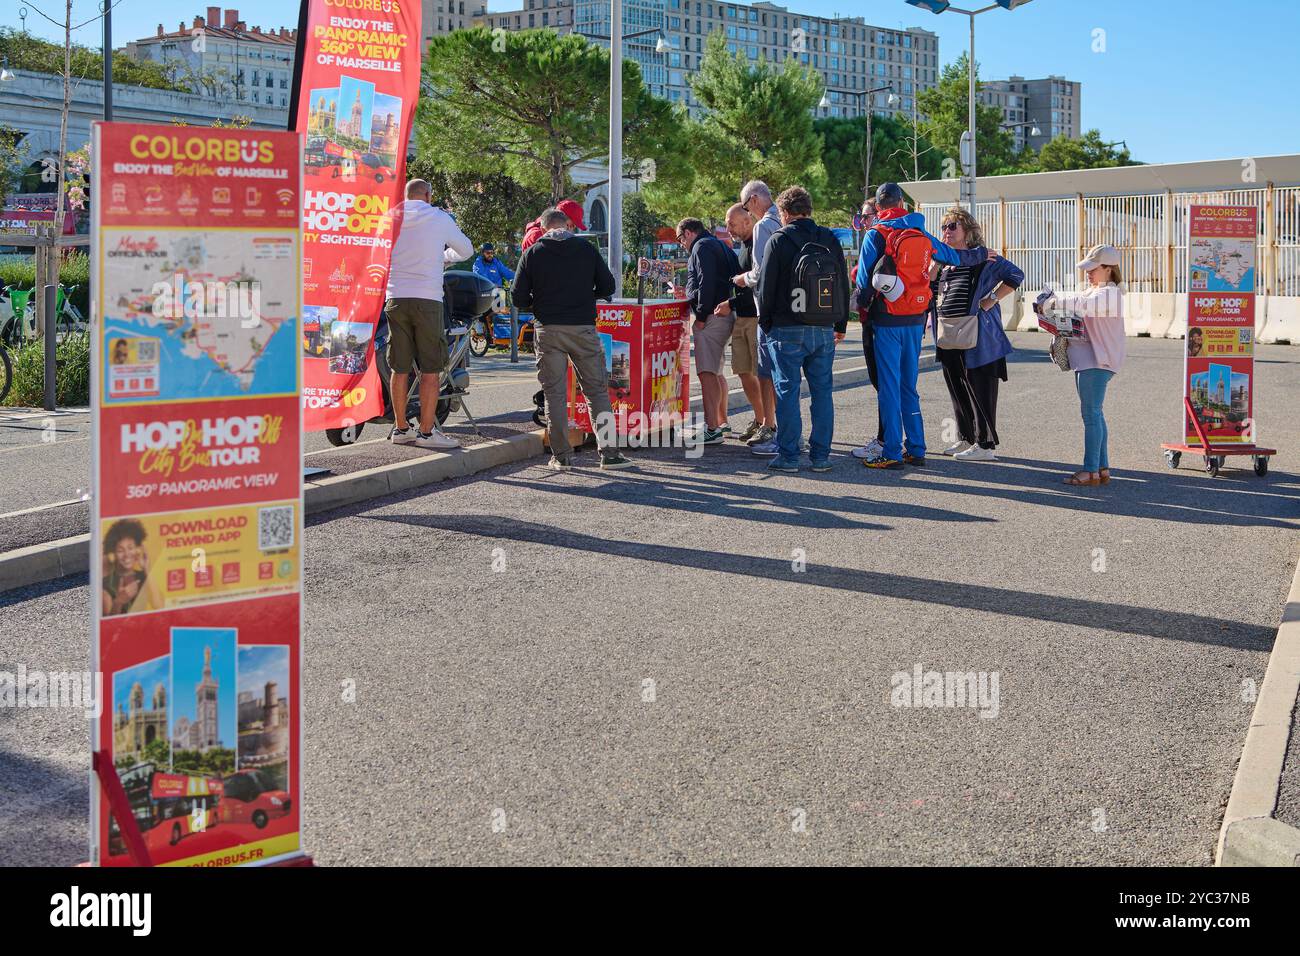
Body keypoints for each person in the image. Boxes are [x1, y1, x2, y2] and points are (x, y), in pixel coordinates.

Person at [854, 182, 990, 470]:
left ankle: (891, 450)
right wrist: (982, 253)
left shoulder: (876, 234)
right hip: (917, 318)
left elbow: (864, 282)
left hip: (887, 318)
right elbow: (955, 256)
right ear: (902, 203)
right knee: (908, 386)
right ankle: (916, 448)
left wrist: (862, 308)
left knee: (889, 386)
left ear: (879, 207)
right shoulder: (920, 233)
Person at [513, 207, 633, 471]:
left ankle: (562, 457)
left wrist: (539, 302)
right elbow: (608, 286)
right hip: (583, 329)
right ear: (566, 225)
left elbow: (517, 297)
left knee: (554, 395)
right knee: (596, 391)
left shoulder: (532, 253)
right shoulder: (585, 249)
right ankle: (610, 454)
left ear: (543, 229)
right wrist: (585, 295)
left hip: (548, 330)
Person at [756, 185, 850, 472]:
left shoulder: (779, 240)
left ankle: (789, 456)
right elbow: (843, 283)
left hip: (786, 329)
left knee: (787, 392)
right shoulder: (829, 238)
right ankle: (821, 457)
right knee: (822, 392)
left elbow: (765, 288)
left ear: (784, 213)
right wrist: (841, 323)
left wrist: (766, 323)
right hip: (823, 327)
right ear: (809, 210)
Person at [384, 178, 474, 449]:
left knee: (398, 368)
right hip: (428, 299)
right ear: (428, 195)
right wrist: (442, 256)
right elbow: (466, 250)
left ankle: (401, 428)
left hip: (395, 297)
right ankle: (426, 432)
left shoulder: (390, 216)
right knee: (430, 369)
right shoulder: (439, 217)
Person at [931, 207, 1024, 462]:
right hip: (948, 332)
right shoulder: (945, 260)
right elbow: (930, 286)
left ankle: (985, 445)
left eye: (952, 226)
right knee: (957, 386)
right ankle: (967, 438)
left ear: (968, 231)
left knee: (979, 387)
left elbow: (1016, 274)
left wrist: (991, 299)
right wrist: (937, 262)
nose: (946, 231)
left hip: (979, 334)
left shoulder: (986, 258)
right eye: (944, 227)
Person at [1036, 243, 1125, 486]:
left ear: (1108, 269)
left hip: (1097, 361)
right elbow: (1080, 302)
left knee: (1091, 415)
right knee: (1096, 414)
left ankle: (1090, 471)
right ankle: (1101, 468)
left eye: (1093, 268)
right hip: (1090, 360)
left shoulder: (1110, 293)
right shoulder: (1096, 291)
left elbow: (1083, 304)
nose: (1088, 272)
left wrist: (1053, 299)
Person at [679, 217, 741, 444]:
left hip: (712, 315)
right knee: (716, 371)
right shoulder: (719, 245)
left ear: (687, 232)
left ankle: (712, 427)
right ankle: (722, 423)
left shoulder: (700, 247)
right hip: (724, 312)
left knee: (706, 372)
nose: (681, 245)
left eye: (680, 239)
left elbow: (705, 282)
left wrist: (702, 315)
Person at [732, 180, 782, 456]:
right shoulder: (784, 221)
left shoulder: (764, 225)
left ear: (753, 200)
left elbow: (760, 271)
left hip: (766, 309)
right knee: (782, 376)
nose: (746, 211)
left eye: (744, 205)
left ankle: (771, 427)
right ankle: (784, 431)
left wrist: (743, 279)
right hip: (789, 309)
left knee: (766, 373)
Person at [723, 202, 771, 444]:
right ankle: (760, 417)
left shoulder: (760, 243)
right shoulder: (742, 246)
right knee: (743, 372)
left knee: (762, 375)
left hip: (756, 318)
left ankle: (770, 424)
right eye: (727, 224)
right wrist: (732, 304)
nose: (728, 228)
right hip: (741, 317)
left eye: (731, 223)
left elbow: (757, 279)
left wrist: (731, 303)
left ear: (747, 221)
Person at [850, 198, 887, 461]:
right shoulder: (896, 238)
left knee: (882, 383)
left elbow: (864, 283)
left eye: (866, 216)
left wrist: (858, 298)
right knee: (893, 385)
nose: (862, 222)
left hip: (875, 319)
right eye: (860, 218)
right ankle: (896, 438)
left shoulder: (875, 239)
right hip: (899, 320)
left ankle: (885, 440)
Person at [101, 519, 162, 616]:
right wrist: (118, 602)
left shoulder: (144, 577)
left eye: (130, 548)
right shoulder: (106, 584)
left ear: (137, 550)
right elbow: (109, 624)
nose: (127, 555)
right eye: (120, 550)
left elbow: (159, 606)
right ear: (114, 553)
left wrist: (147, 569)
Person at [522, 199, 586, 253]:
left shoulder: (550, 234)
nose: (571, 230)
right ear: (560, 219)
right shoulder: (536, 235)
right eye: (571, 225)